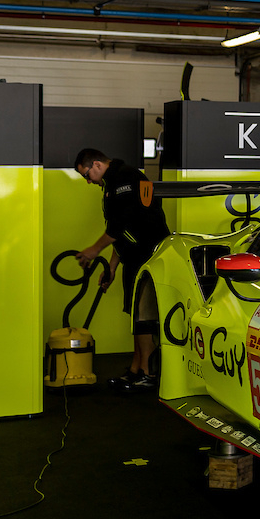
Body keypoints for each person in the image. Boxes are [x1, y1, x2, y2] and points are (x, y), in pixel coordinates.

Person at [74, 148, 170, 390]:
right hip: (133, 255)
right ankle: (136, 368)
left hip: (149, 255)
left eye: (87, 175)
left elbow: (120, 225)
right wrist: (112, 268)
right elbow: (121, 234)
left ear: (96, 164)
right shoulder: (111, 182)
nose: (88, 181)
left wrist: (94, 250)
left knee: (143, 315)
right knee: (135, 315)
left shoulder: (126, 178)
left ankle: (147, 373)